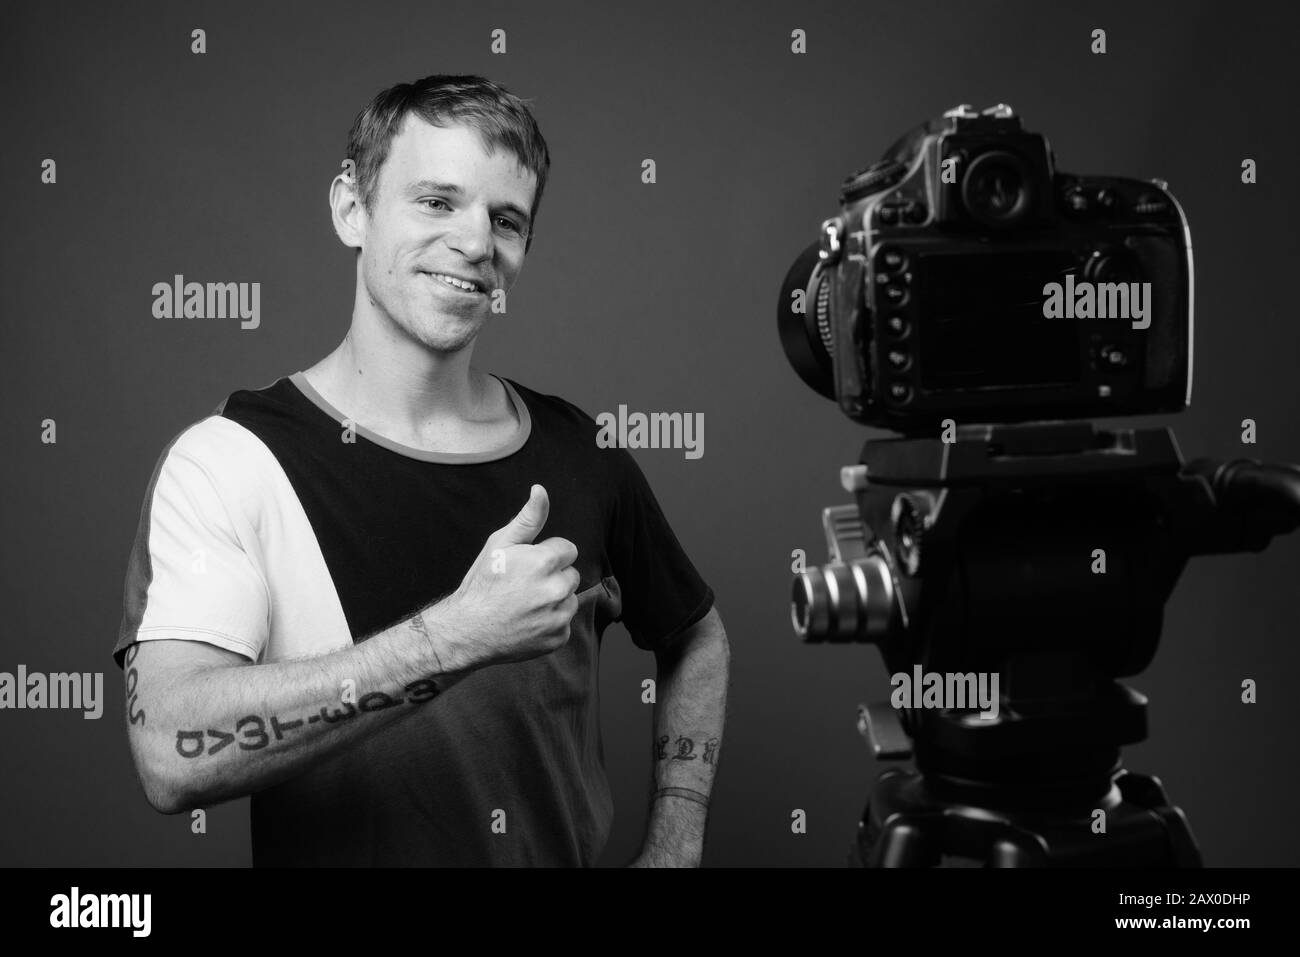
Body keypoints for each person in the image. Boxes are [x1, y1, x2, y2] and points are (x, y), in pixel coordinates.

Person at [113, 74, 730, 867]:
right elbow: (170, 751)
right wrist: (455, 638)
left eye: (505, 219)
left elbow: (698, 635)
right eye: (437, 201)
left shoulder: (586, 454)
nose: (476, 243)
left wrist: (676, 842)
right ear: (351, 207)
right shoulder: (228, 462)